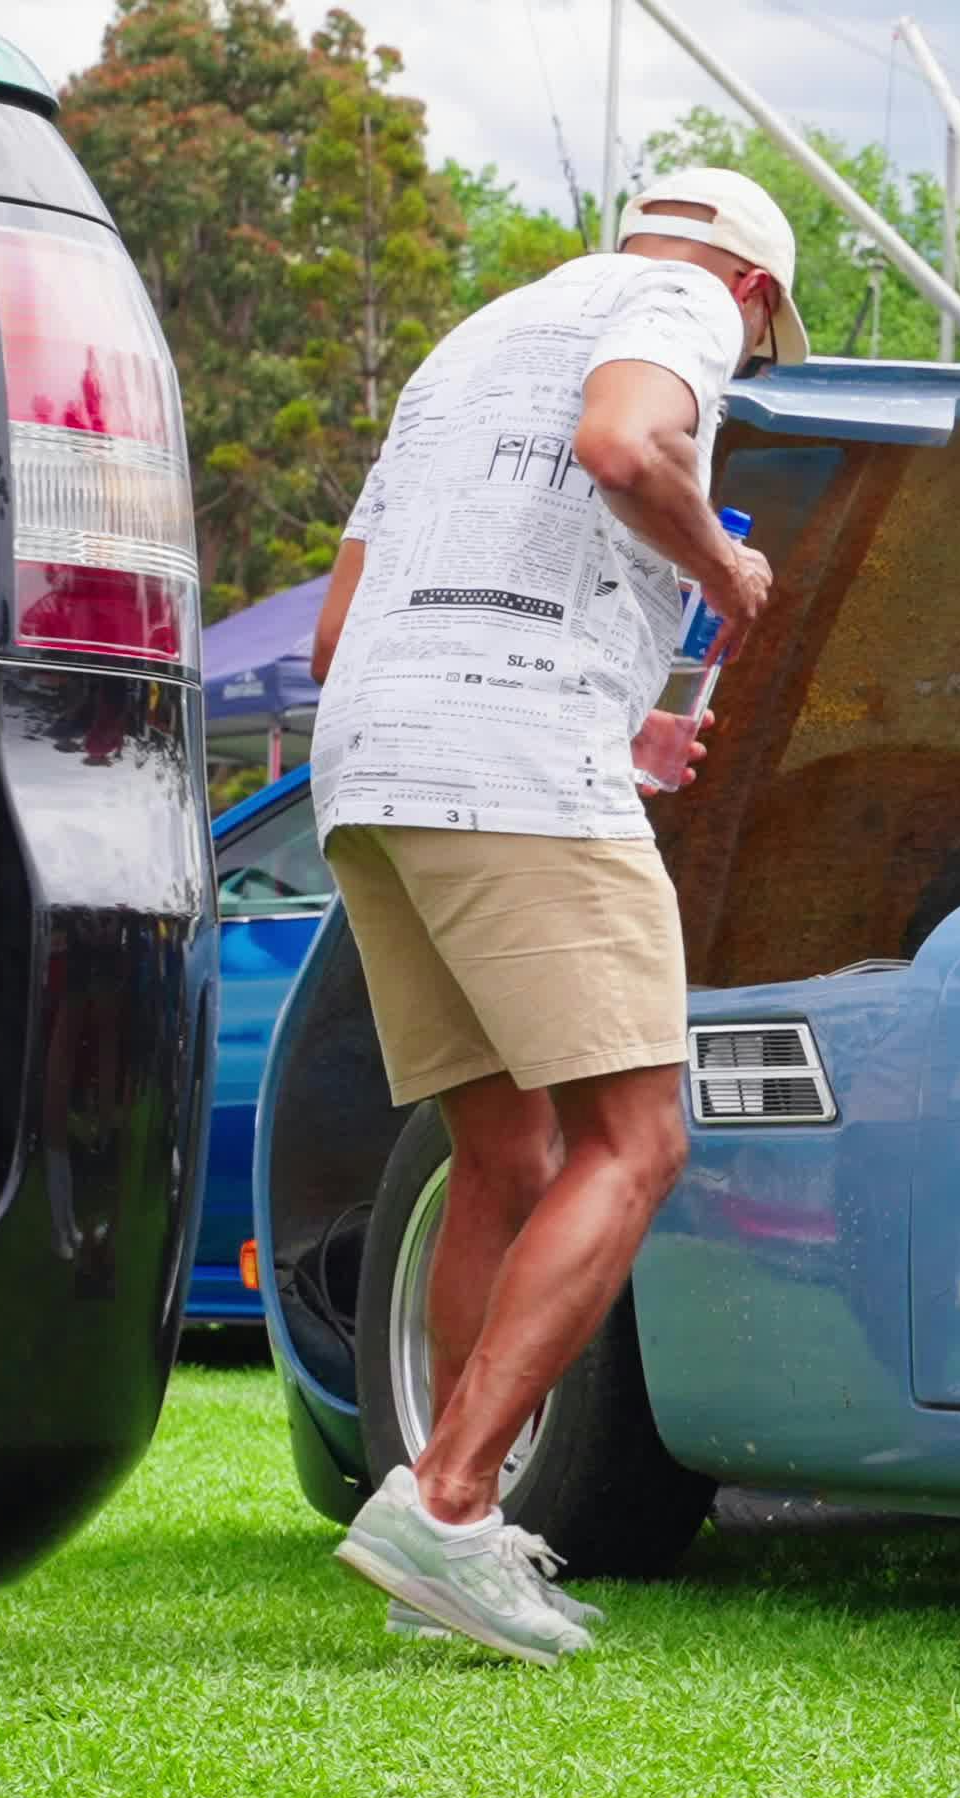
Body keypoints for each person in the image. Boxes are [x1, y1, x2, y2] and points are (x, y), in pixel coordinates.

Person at [304, 169, 810, 1665]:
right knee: (637, 1139)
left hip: (372, 769)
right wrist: (725, 561)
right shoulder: (680, 302)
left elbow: (340, 628)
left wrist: (625, 720)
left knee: (503, 1151)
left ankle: (440, 1532)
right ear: (756, 295)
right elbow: (620, 441)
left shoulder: (468, 345)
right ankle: (453, 1501)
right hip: (509, 758)